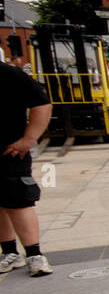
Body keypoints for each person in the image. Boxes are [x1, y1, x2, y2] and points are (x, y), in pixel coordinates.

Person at [1, 61, 55, 276]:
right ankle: (10, 253)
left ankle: (34, 254)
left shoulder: (8, 74)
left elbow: (42, 103)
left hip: (9, 150)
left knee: (18, 201)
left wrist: (29, 138)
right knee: (1, 203)